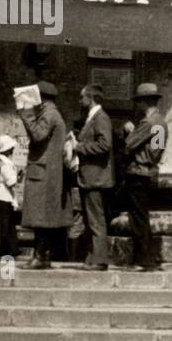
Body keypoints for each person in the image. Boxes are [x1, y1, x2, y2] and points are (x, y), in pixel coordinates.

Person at [18, 80, 70, 270]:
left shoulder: (48, 113)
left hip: (43, 173)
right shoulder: (53, 113)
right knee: (44, 218)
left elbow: (38, 135)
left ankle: (39, 256)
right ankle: (43, 255)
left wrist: (26, 115)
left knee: (40, 217)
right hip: (47, 172)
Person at [118, 83, 167, 271]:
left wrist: (130, 130)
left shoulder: (147, 123)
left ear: (145, 102)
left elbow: (129, 144)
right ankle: (147, 257)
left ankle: (142, 259)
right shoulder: (161, 122)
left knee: (137, 218)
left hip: (138, 173)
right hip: (150, 172)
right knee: (142, 216)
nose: (137, 106)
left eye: (139, 101)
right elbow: (156, 152)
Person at [74, 84, 115, 271]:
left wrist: (79, 147)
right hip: (90, 177)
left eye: (82, 98)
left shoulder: (100, 118)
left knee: (96, 220)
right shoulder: (93, 118)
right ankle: (93, 257)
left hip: (96, 178)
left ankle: (99, 259)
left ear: (90, 99)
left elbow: (105, 144)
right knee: (91, 220)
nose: (80, 101)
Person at [0, 134, 20, 258]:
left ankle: (7, 249)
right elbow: (11, 181)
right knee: (6, 225)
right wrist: (18, 177)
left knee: (4, 224)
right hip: (4, 196)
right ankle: (6, 250)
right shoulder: (6, 163)